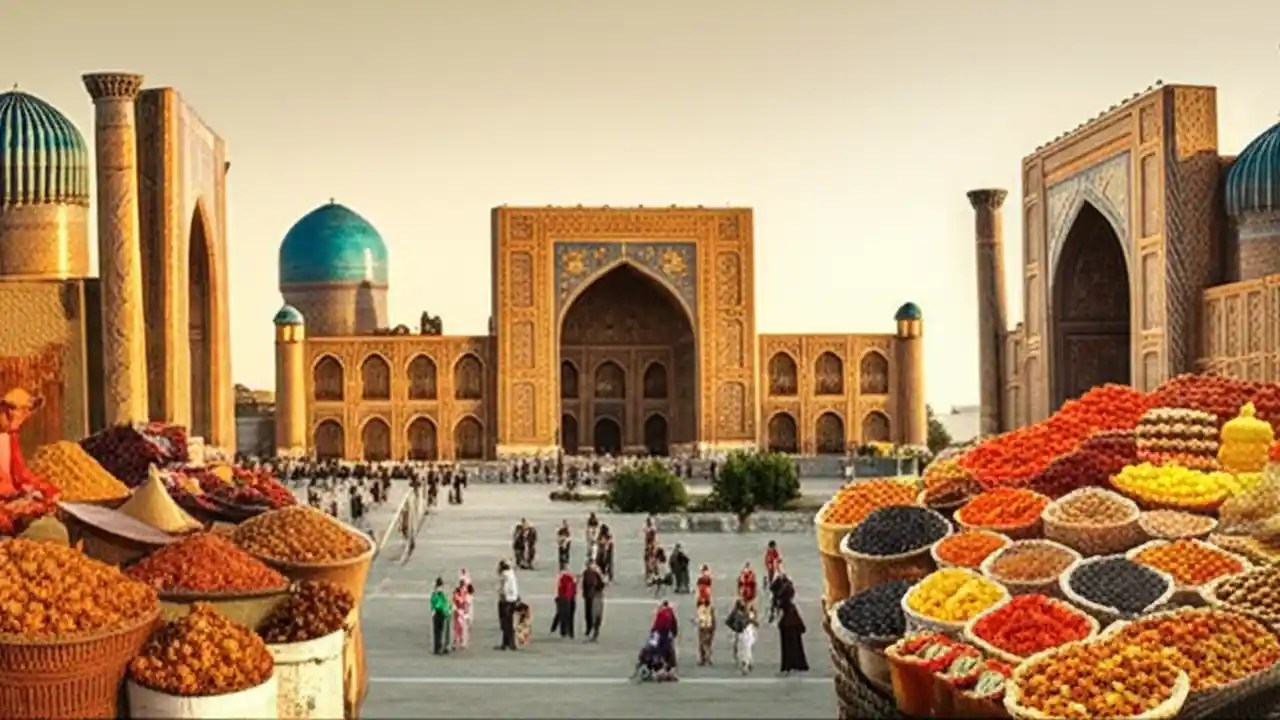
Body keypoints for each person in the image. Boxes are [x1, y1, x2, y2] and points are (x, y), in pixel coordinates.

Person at [0, 389, 54, 504]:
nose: (21, 421)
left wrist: (37, 487)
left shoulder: (10, 438)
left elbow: (20, 473)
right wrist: (14, 493)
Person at [776, 587, 809, 675]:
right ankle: (797, 663)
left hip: (786, 627)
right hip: (792, 627)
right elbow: (796, 617)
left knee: (788, 647)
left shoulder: (785, 605)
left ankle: (790, 664)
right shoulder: (791, 607)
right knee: (796, 646)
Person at [496, 559, 519, 651]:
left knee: (505, 623)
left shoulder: (504, 575)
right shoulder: (511, 574)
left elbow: (504, 589)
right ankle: (509, 643)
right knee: (510, 622)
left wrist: (502, 596)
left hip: (506, 601)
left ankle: (508, 643)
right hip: (513, 599)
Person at [651, 600, 678, 674]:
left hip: (660, 634)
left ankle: (660, 667)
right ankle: (670, 667)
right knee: (670, 651)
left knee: (659, 651)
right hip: (667, 634)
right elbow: (674, 624)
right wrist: (674, 633)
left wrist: (653, 633)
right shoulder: (670, 612)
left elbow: (656, 625)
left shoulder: (660, 613)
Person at [581, 561, 605, 641]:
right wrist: (584, 593)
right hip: (589, 596)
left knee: (595, 614)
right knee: (588, 614)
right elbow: (584, 584)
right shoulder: (586, 573)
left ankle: (594, 631)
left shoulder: (597, 574)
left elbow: (602, 584)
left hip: (595, 596)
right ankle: (589, 629)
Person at [550, 568, 577, 639]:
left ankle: (564, 631)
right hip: (566, 597)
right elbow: (574, 587)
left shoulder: (566, 576)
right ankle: (567, 631)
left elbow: (574, 587)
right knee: (566, 615)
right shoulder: (567, 577)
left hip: (566, 597)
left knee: (563, 614)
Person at [430, 577, 452, 655]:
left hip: (437, 613)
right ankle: (443, 647)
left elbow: (433, 602)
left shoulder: (434, 593)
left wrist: (433, 610)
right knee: (442, 630)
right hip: (442, 613)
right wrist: (448, 611)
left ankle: (438, 647)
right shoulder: (441, 594)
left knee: (437, 632)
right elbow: (445, 603)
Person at [736, 605, 758, 675]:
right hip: (744, 633)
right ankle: (747, 663)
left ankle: (747, 664)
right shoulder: (741, 614)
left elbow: (755, 623)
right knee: (745, 649)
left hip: (748, 633)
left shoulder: (751, 613)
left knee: (747, 649)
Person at [694, 597, 716, 666]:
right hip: (708, 627)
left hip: (704, 628)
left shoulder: (701, 609)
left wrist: (695, 622)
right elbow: (713, 619)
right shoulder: (710, 609)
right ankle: (707, 658)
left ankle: (705, 658)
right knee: (708, 644)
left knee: (703, 644)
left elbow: (700, 619)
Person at [452, 578, 472, 650]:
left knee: (458, 627)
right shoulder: (462, 592)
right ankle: (459, 641)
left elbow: (459, 600)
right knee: (460, 627)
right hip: (460, 611)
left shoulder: (458, 591)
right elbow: (464, 602)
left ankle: (458, 641)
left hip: (459, 610)